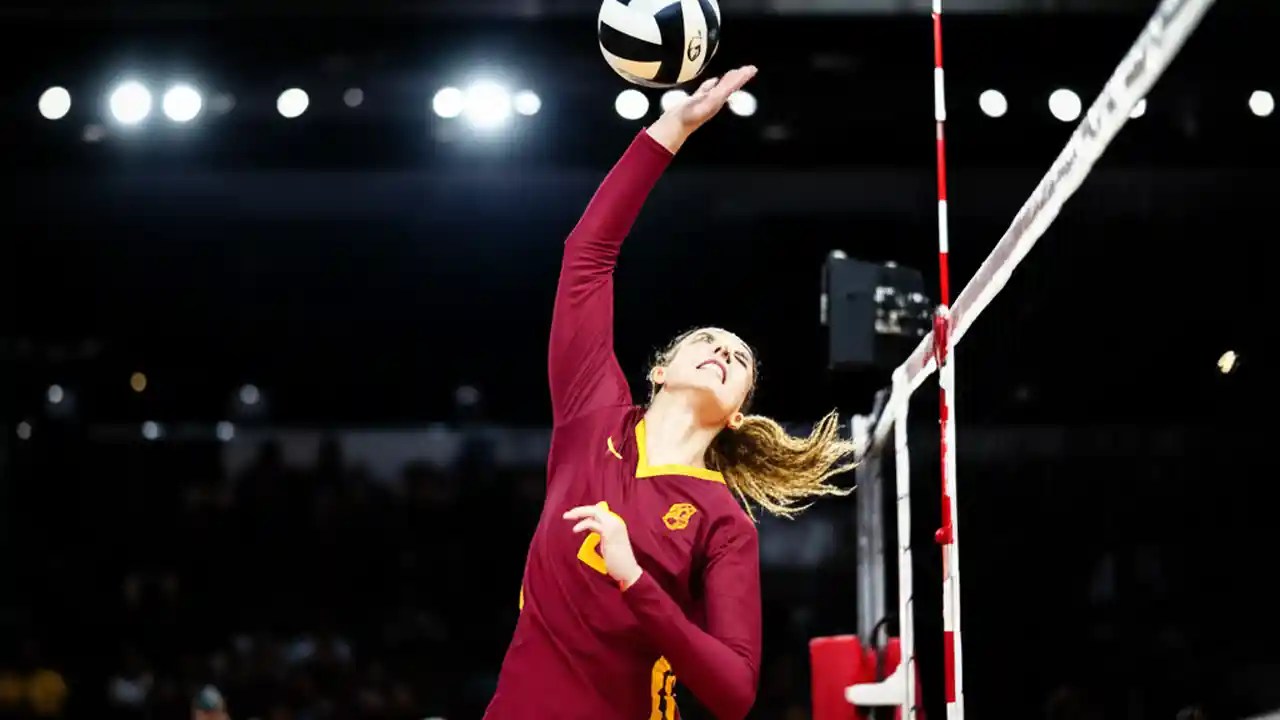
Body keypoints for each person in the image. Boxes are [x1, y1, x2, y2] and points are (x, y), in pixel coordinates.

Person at [483, 65, 856, 720]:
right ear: (660, 369)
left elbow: (735, 693)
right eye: (707, 340)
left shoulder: (723, 522)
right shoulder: (591, 412)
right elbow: (587, 255)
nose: (721, 350)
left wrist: (635, 580)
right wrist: (671, 129)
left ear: (738, 411)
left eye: (738, 358)